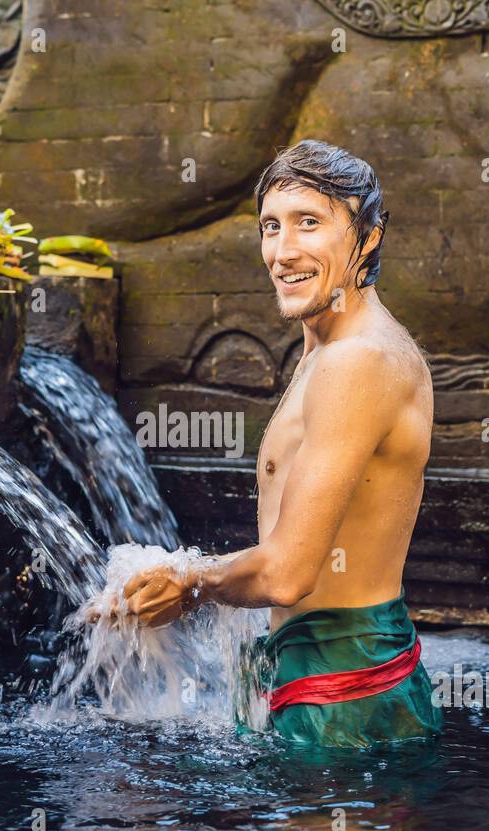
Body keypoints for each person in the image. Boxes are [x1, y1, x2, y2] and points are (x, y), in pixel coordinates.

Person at [118, 140, 443, 747]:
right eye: (271, 226)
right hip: (326, 679)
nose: (282, 251)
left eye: (309, 223)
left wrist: (184, 580)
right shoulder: (328, 343)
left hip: (342, 697)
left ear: (368, 237)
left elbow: (289, 573)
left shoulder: (358, 361)